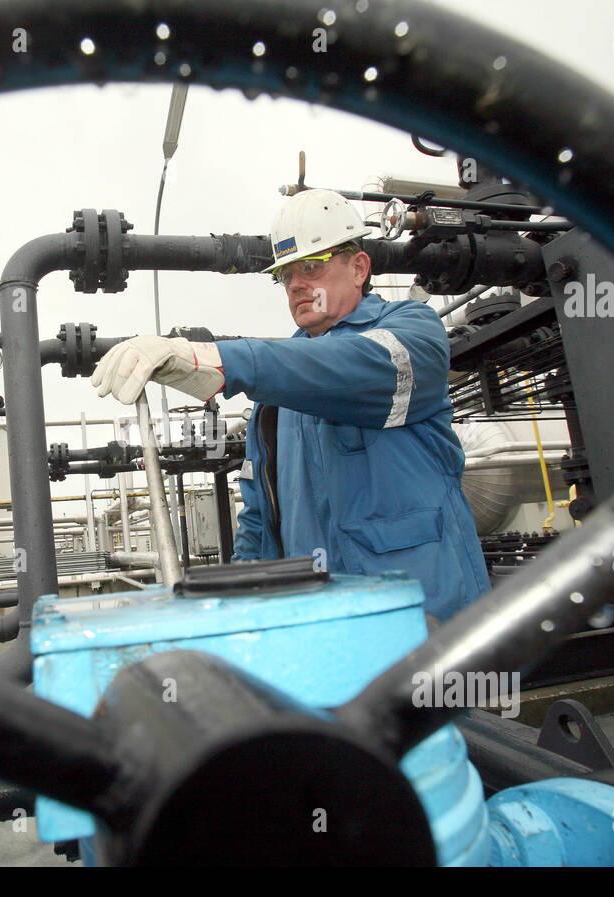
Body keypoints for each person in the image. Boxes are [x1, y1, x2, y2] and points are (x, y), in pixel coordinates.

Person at [91, 188, 489, 621]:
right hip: (326, 629)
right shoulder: (275, 399)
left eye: (312, 266)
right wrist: (241, 610)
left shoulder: (412, 330)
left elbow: (355, 368)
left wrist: (217, 357)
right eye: (285, 275)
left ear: (359, 268)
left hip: (431, 621)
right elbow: (260, 519)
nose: (296, 284)